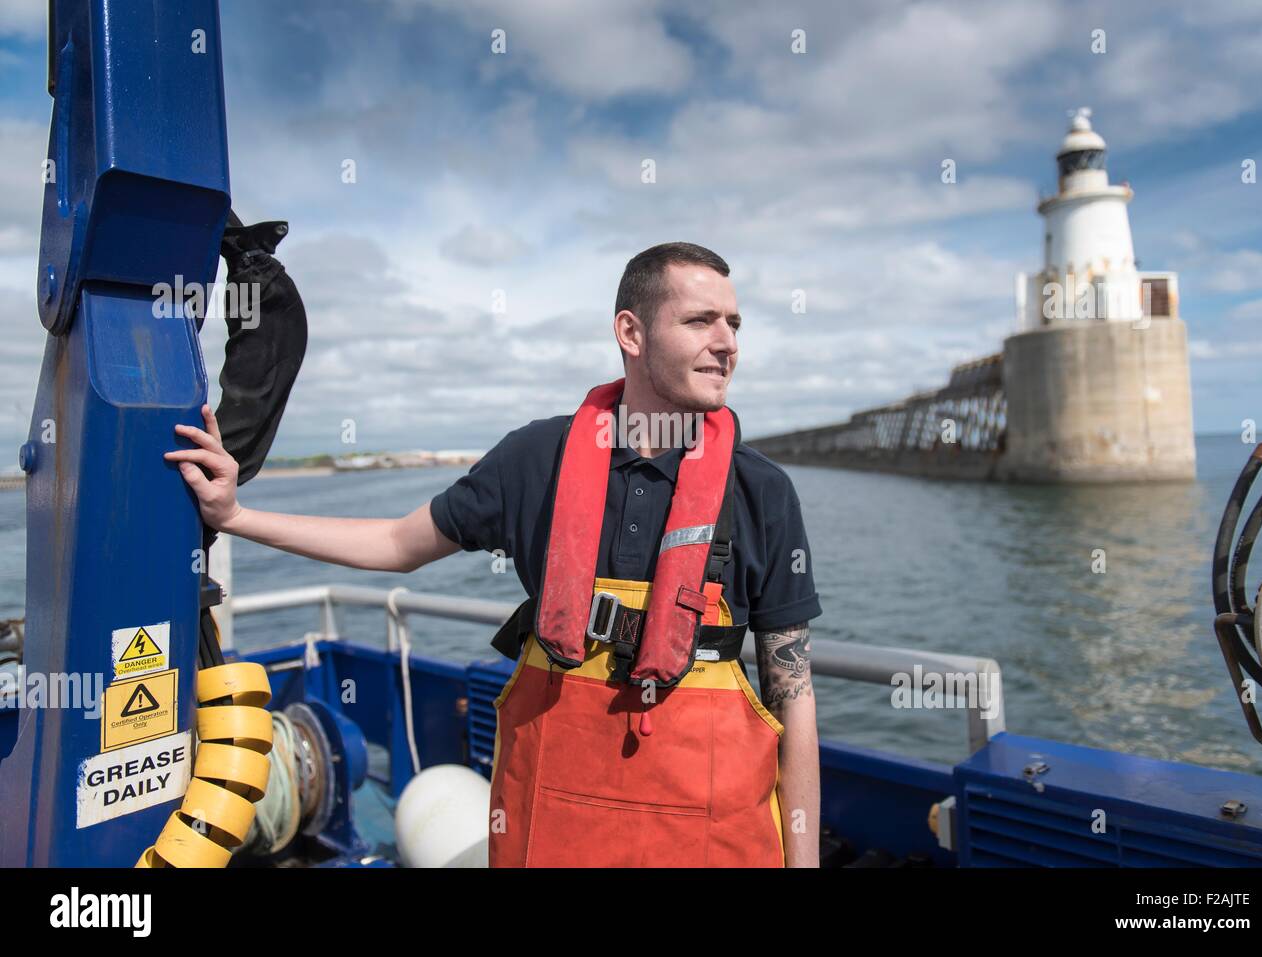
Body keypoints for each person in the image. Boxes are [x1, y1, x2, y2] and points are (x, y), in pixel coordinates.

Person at [166, 241, 822, 867]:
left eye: (734, 323)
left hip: (713, 839)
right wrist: (236, 515)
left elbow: (792, 698)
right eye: (701, 320)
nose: (728, 342)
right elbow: (398, 543)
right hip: (554, 830)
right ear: (631, 332)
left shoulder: (761, 491)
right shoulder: (534, 460)